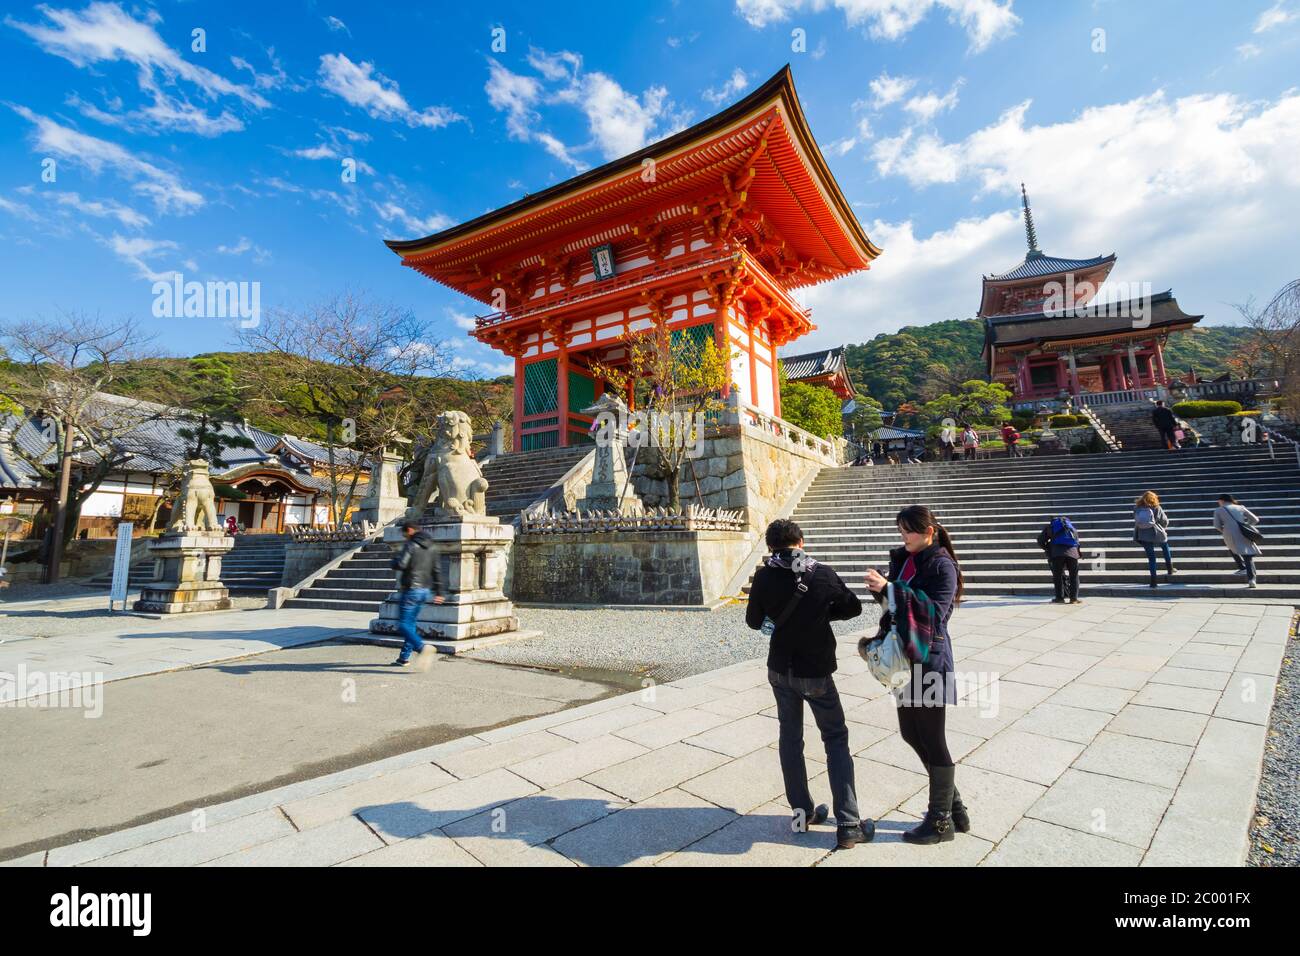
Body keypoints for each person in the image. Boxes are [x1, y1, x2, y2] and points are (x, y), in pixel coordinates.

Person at [746, 518, 874, 850]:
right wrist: (820, 615)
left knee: (791, 738)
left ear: (771, 547)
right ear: (801, 542)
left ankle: (801, 814)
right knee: (835, 738)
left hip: (780, 670)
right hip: (815, 671)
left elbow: (753, 622)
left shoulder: (763, 575)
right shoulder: (822, 572)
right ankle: (848, 824)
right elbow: (853, 608)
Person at [864, 506, 968, 845]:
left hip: (930, 660)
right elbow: (899, 607)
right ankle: (955, 807)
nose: (903, 536)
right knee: (911, 733)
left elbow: (935, 613)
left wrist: (891, 589)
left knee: (933, 739)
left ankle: (940, 822)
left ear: (929, 531)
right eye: (900, 530)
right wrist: (884, 590)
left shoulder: (942, 564)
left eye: (909, 530)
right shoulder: (906, 560)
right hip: (906, 661)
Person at [390, 518, 446, 669]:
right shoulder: (432, 546)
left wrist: (394, 560)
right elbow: (437, 570)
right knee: (411, 624)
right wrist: (439, 592)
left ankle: (422, 648)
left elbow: (401, 564)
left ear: (409, 530)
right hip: (425, 590)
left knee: (402, 625)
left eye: (404, 535)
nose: (404, 537)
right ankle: (403, 657)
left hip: (411, 590)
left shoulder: (411, 544)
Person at [1213, 494, 1262, 589]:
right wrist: (1246, 525)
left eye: (1218, 501)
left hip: (1229, 533)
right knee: (1248, 556)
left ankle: (1242, 567)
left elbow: (1217, 525)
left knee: (1232, 548)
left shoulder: (1218, 510)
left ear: (1222, 500)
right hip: (1243, 533)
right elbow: (1255, 519)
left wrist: (1224, 530)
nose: (1218, 503)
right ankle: (1252, 580)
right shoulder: (1241, 507)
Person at [1134, 490, 1175, 588]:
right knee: (1165, 546)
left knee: (1151, 558)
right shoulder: (1157, 507)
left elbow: (1137, 520)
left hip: (1143, 534)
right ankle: (1170, 568)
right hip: (1156, 532)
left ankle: (1153, 581)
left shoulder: (1137, 508)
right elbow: (1165, 521)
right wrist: (1163, 528)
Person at [1037, 515, 1082, 603]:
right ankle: (1074, 598)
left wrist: (1047, 548)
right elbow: (1076, 540)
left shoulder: (1051, 527)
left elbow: (1040, 540)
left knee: (1058, 576)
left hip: (1057, 553)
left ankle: (1059, 598)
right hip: (1072, 553)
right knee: (1074, 575)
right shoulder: (1070, 527)